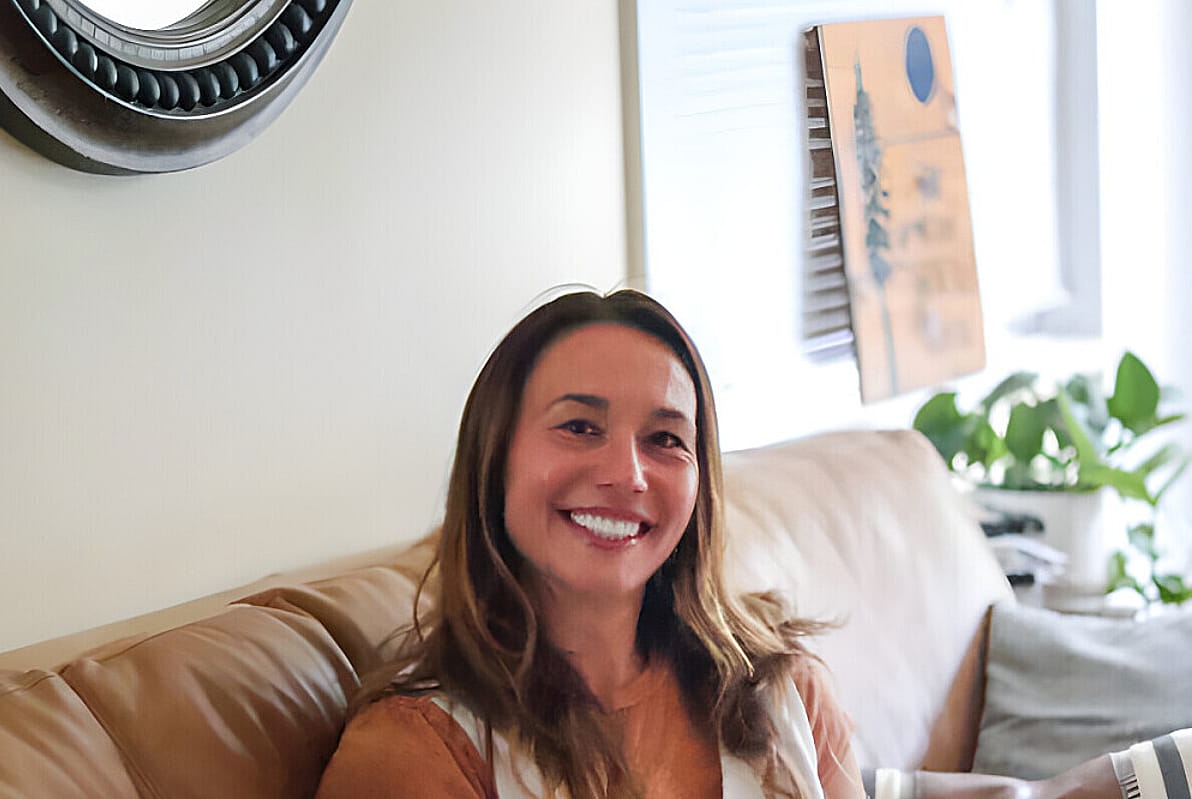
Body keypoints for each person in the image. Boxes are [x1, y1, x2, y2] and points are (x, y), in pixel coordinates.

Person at [315, 289, 865, 798]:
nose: (628, 475)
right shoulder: (415, 750)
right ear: (495, 458)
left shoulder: (786, 689)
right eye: (579, 427)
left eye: (665, 439)